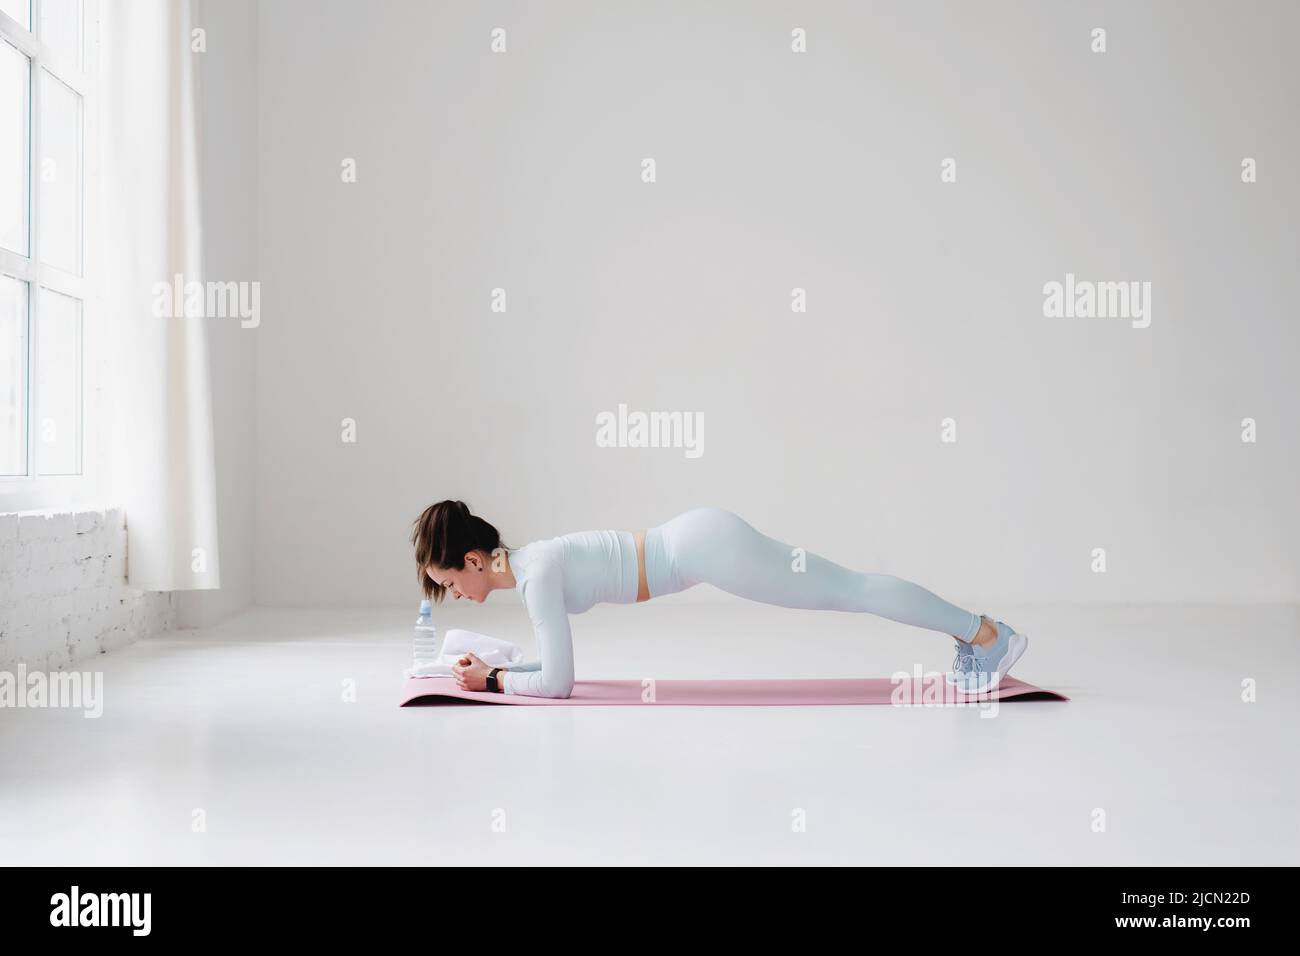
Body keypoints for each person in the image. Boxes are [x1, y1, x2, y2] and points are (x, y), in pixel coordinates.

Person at [410, 500, 1028, 699]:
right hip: (700, 541)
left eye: (448, 581)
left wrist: (493, 683)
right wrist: (499, 672)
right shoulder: (534, 565)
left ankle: (985, 636)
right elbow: (549, 667)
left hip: (702, 550)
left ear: (471, 561)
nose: (453, 595)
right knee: (849, 587)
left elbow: (561, 683)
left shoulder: (537, 574)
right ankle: (978, 635)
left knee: (850, 590)